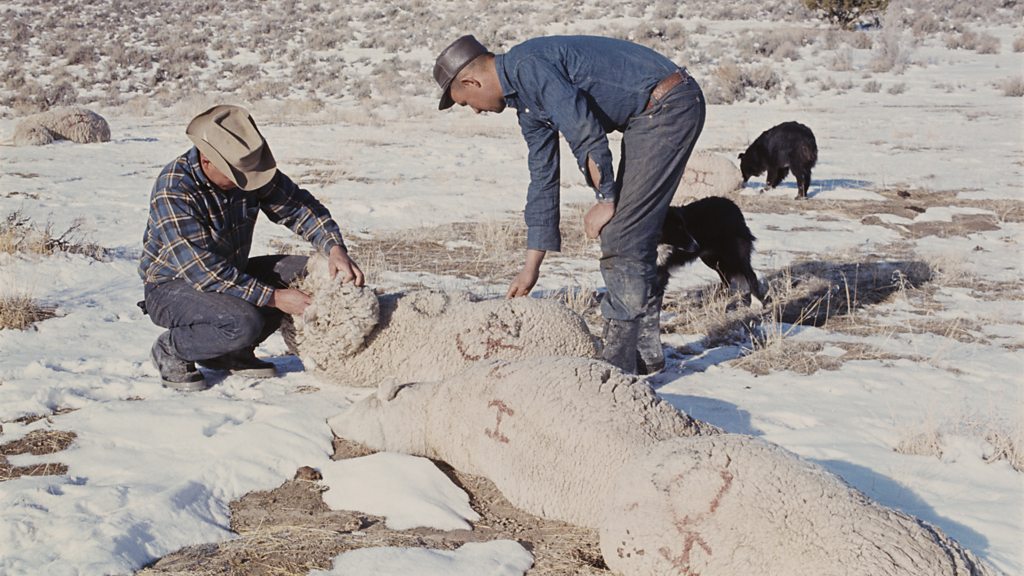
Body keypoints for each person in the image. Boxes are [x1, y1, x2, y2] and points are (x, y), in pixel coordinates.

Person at [433, 35, 705, 375]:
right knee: (633, 227)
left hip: (669, 105)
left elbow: (583, 129)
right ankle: (647, 353)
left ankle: (616, 368)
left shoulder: (527, 65)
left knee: (621, 231)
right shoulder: (527, 103)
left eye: (466, 102)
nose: (474, 110)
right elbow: (543, 179)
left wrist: (606, 198)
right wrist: (532, 265)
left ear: (472, 81)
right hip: (649, 116)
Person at [139, 104, 364, 391]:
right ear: (207, 160)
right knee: (243, 321)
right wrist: (274, 297)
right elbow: (204, 272)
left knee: (307, 274)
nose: (246, 183)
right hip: (172, 287)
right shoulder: (174, 190)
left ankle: (229, 352)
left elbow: (299, 208)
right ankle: (173, 349)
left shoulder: (244, 172)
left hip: (230, 272)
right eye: (237, 177)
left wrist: (334, 248)